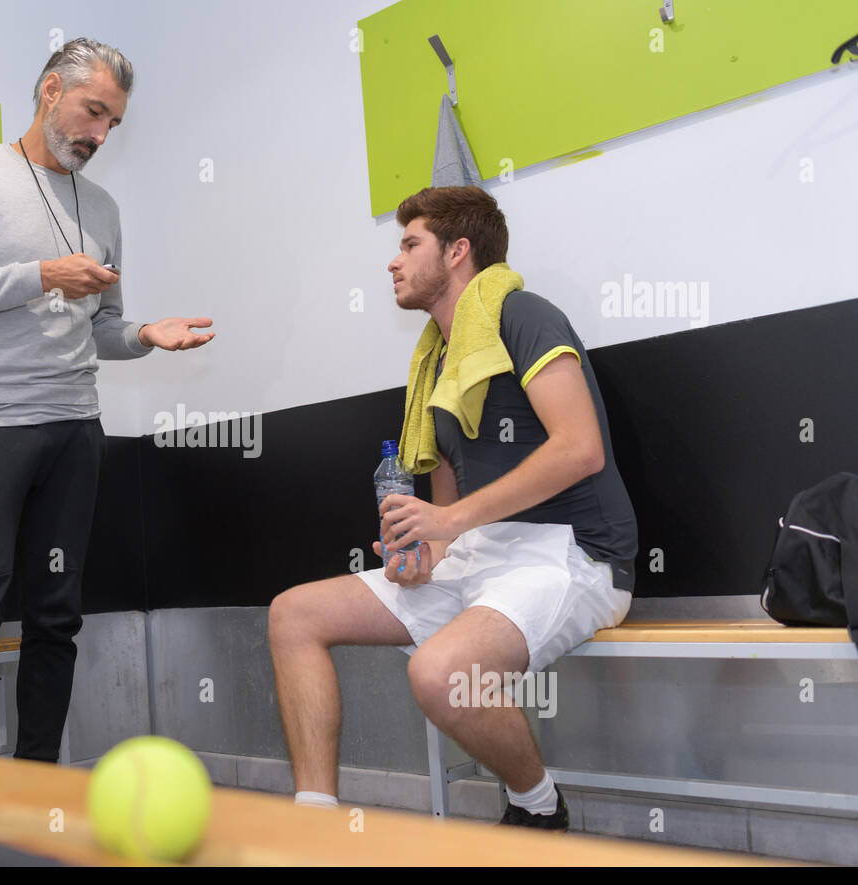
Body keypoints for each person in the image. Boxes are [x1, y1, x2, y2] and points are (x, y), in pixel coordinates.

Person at [268, 185, 637, 828]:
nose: (394, 260)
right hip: (481, 553)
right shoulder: (437, 359)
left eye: (410, 244)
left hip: (574, 556)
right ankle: (315, 824)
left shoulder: (524, 315)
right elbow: (446, 507)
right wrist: (426, 556)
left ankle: (538, 807)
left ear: (458, 251)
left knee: (440, 675)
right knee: (293, 614)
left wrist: (451, 526)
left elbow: (581, 449)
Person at [0, 38, 213, 758]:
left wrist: (144, 335)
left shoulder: (102, 207)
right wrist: (41, 274)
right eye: (92, 112)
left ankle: (36, 787)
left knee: (56, 619)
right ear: (51, 90)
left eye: (112, 123)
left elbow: (100, 326)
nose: (100, 135)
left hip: (76, 432)